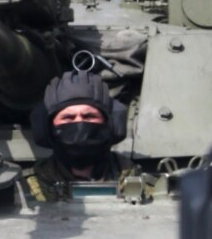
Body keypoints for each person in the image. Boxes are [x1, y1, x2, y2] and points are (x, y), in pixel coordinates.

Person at [25, 71, 134, 202]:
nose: (79, 123)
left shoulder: (135, 178)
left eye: (89, 116)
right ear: (48, 129)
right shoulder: (28, 188)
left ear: (110, 124)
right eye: (68, 117)